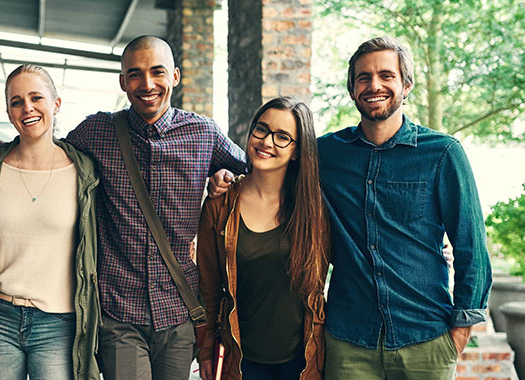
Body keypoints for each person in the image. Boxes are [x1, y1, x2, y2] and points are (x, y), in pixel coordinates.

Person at [209, 36, 492, 380]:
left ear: (406, 85)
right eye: (363, 77)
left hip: (425, 339)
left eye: (386, 76)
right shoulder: (325, 154)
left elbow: (472, 248)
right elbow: (272, 161)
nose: (374, 85)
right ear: (352, 88)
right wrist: (227, 175)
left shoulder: (442, 153)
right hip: (348, 343)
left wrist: (459, 333)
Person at [0, 35, 247, 380]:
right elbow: (43, 150)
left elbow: (256, 170)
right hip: (118, 312)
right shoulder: (97, 131)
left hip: (179, 310)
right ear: (122, 81)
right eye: (135, 74)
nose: (147, 84)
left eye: (157, 72)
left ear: (175, 76)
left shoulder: (204, 134)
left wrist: (227, 176)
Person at [0, 64, 100, 380]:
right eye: (16, 101)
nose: (27, 108)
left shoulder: (85, 174)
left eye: (36, 97)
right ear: (9, 111)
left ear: (56, 104)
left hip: (59, 322)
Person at [196, 97, 329, 380]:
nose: (267, 142)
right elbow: (208, 289)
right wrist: (205, 350)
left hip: (303, 360)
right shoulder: (219, 205)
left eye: (282, 137)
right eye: (262, 130)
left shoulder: (313, 209)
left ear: (296, 151)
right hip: (243, 361)